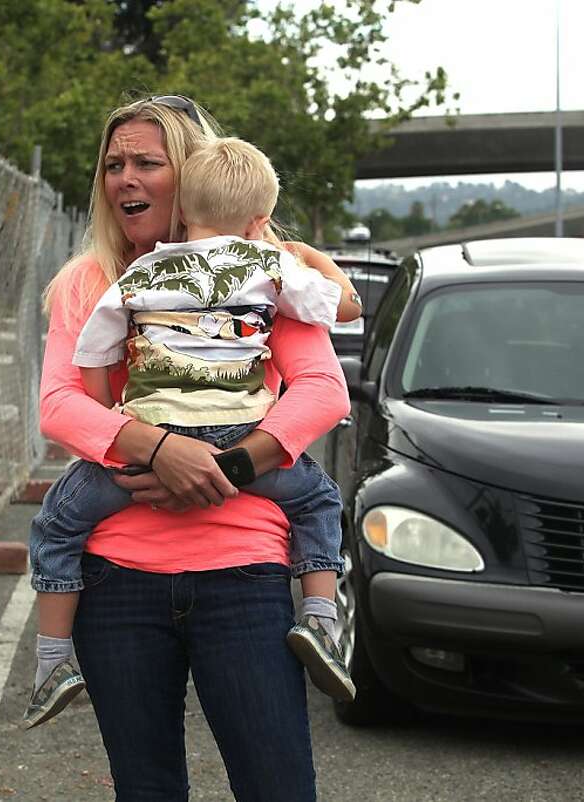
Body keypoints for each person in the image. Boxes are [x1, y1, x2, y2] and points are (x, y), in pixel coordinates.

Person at [29, 95, 349, 800]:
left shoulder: (263, 274)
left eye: (147, 162)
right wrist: (155, 449)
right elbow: (59, 403)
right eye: (113, 165)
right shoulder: (91, 282)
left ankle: (328, 621)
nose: (125, 179)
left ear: (193, 172)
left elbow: (322, 391)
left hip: (244, 573)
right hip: (117, 582)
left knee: (278, 786)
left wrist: (226, 468)